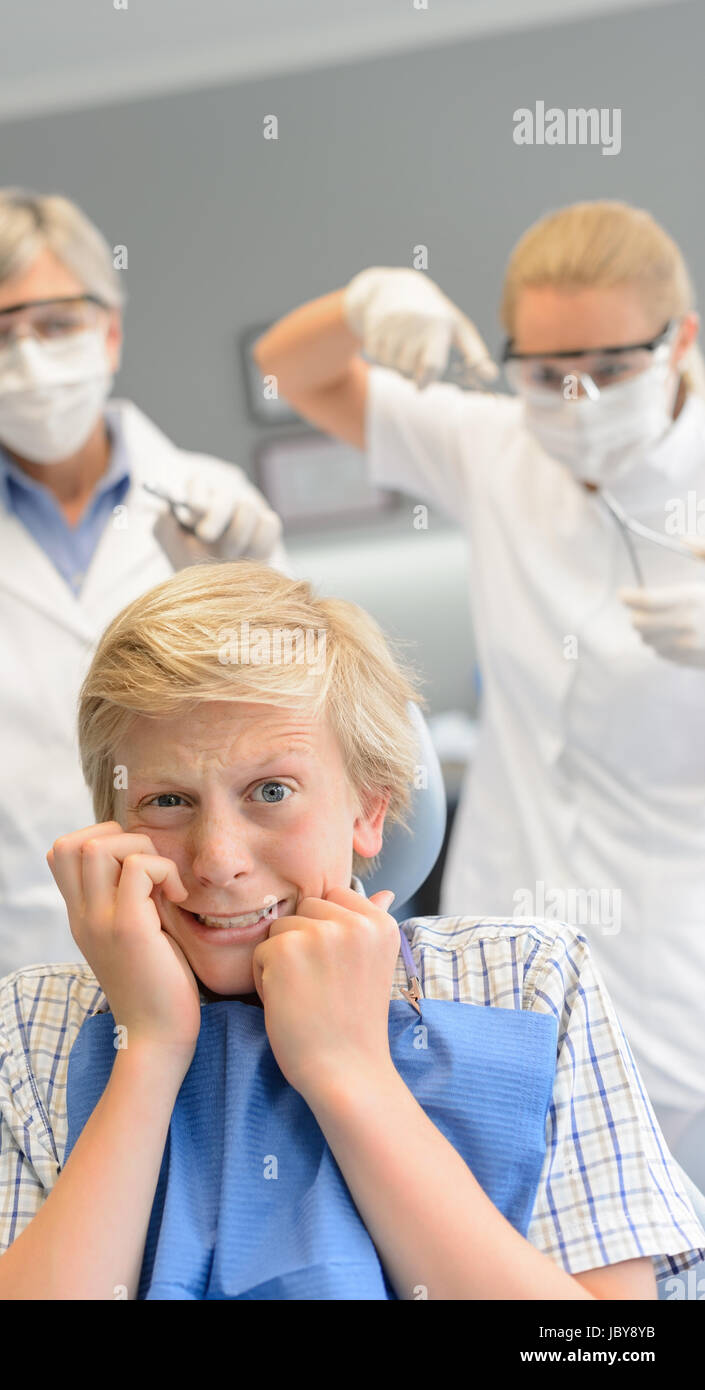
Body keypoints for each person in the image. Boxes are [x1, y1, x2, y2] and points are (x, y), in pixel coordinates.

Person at [0, 560, 704, 1300]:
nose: (217, 861)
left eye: (272, 791)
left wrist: (347, 1071)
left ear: (368, 808)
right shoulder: (37, 1023)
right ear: (108, 825)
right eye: (167, 802)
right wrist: (148, 1048)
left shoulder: (522, 980)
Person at [0, 188, 286, 1298]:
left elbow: (294, 759)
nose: (29, 358)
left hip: (201, 973)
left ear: (111, 328)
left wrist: (244, 603)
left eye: (53, 322)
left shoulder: (214, 507)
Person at [251, 200, 705, 1179]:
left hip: (681, 940)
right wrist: (366, 302)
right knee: (499, 1225)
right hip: (509, 922)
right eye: (544, 371)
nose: (575, 396)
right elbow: (288, 368)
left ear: (683, 340)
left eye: (611, 365)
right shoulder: (497, 446)